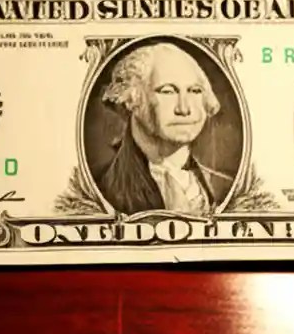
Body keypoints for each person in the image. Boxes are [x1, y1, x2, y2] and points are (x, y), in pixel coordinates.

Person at [94, 42, 233, 216]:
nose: (184, 109)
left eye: (195, 91)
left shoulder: (227, 188)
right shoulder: (100, 192)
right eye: (167, 91)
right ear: (131, 100)